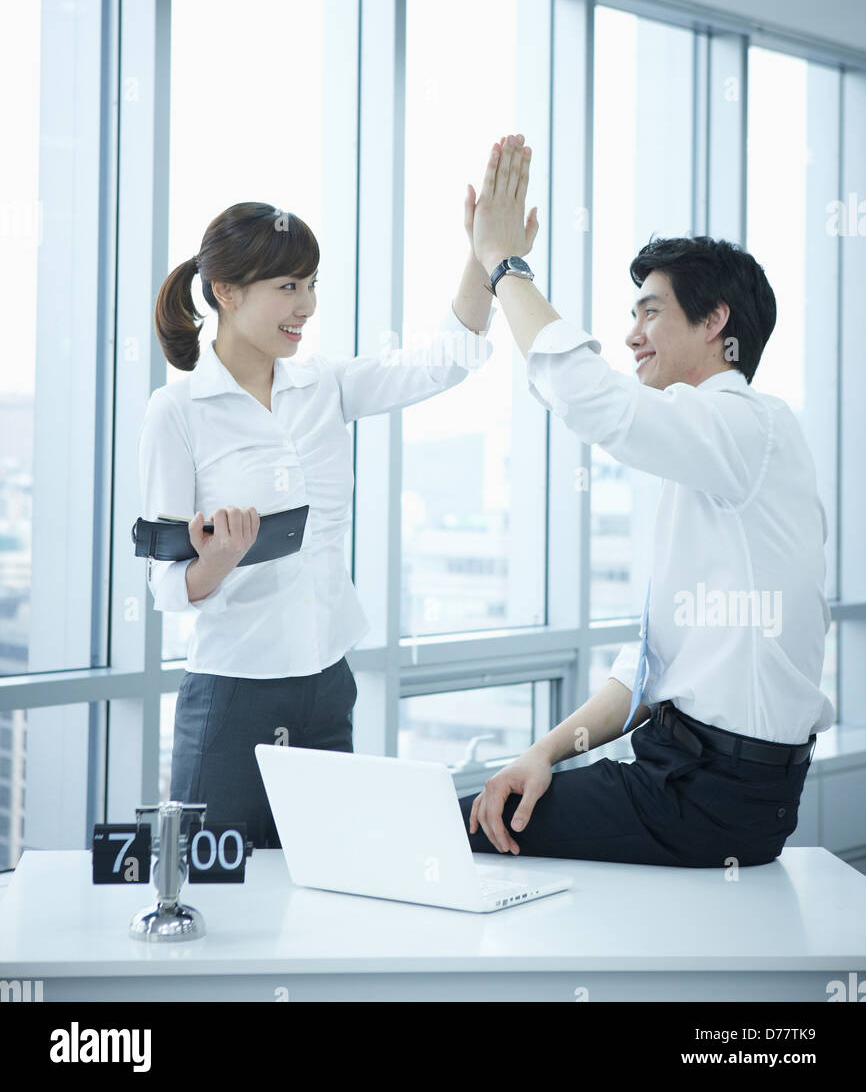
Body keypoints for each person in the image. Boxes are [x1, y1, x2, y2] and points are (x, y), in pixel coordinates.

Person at [459, 133, 833, 868]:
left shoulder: (747, 425)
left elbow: (596, 402)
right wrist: (545, 752)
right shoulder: (707, 455)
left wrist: (505, 267)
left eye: (650, 312)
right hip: (682, 771)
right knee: (487, 803)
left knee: (458, 829)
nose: (631, 336)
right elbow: (649, 668)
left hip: (714, 794)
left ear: (716, 321)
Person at [138, 195, 512, 848]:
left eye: (311, 285)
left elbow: (445, 359)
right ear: (226, 291)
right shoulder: (176, 411)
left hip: (325, 687)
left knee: (323, 882)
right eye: (288, 287)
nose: (306, 306)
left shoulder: (325, 386)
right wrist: (218, 561)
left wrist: (486, 260)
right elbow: (167, 588)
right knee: (215, 890)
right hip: (234, 694)